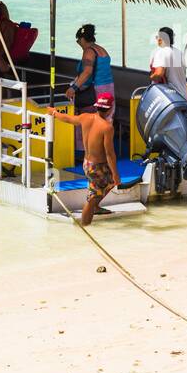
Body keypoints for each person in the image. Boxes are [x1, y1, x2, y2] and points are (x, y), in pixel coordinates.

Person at [45, 94, 119, 225]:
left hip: (87, 164)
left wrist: (54, 113)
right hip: (98, 167)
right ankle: (85, 227)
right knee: (93, 198)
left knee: (109, 183)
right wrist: (115, 173)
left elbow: (68, 119)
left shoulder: (85, 117)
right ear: (110, 108)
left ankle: (95, 207)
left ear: (97, 106)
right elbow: (109, 153)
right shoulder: (107, 127)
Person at [68, 24, 115, 116]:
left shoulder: (89, 52)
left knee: (92, 121)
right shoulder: (102, 50)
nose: (78, 43)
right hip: (108, 89)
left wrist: (73, 88)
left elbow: (87, 72)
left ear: (82, 39)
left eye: (78, 41)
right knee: (106, 119)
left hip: (97, 91)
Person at [149, 27, 187, 97]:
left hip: (170, 98)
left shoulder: (162, 52)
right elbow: (183, 73)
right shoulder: (179, 53)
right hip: (183, 96)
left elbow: (159, 74)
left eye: (158, 37)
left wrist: (151, 77)